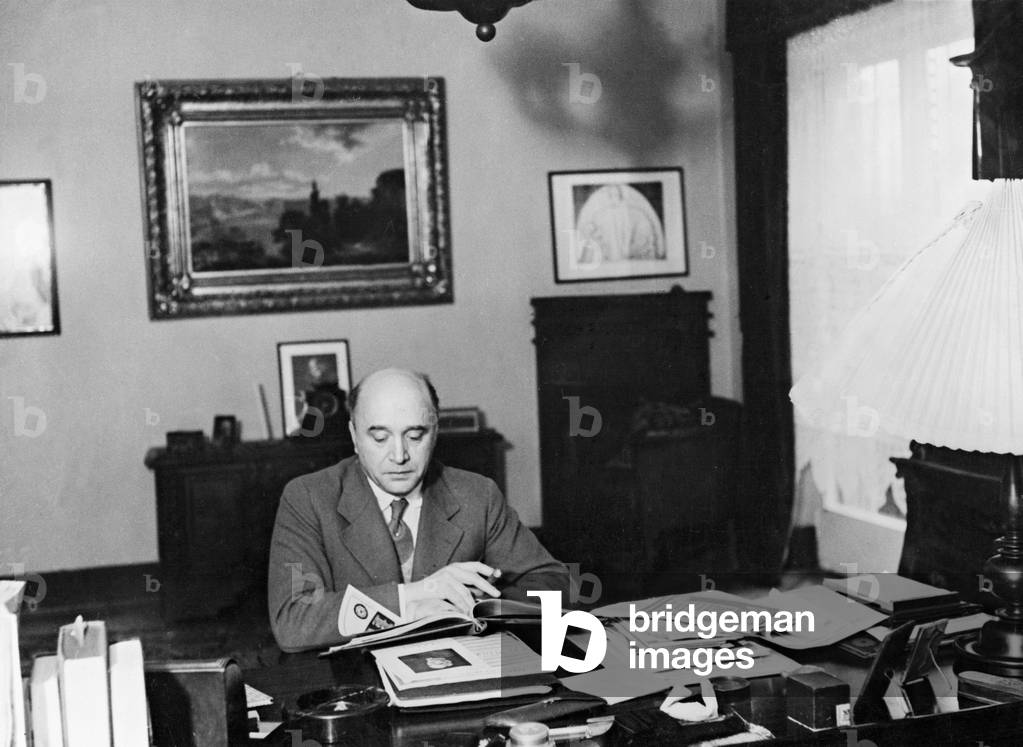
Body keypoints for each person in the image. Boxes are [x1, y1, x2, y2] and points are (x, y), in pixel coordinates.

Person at [268, 368, 570, 652]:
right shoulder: (308, 498)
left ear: (435, 432)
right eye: (380, 438)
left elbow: (554, 583)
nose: (399, 456)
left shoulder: (478, 495)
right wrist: (415, 596)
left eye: (415, 436)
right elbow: (293, 620)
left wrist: (480, 603)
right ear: (354, 436)